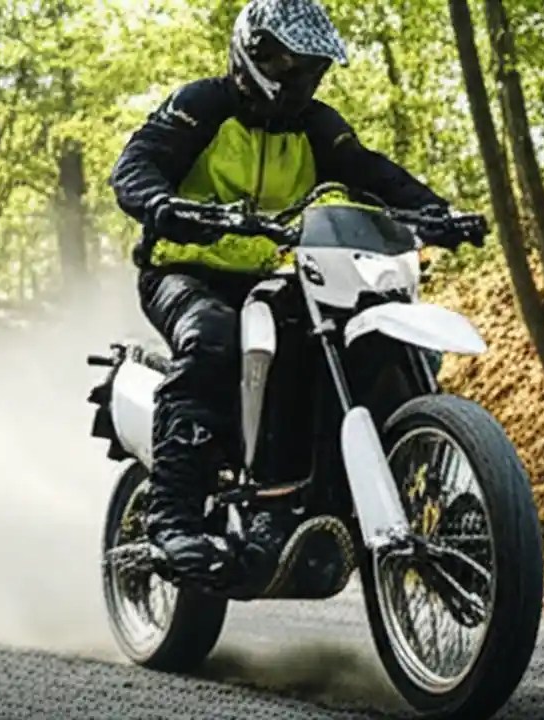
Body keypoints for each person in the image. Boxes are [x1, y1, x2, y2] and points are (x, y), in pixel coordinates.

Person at [107, 0, 482, 589]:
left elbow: (370, 172)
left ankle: (402, 497)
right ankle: (172, 517)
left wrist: (438, 213)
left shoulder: (315, 126)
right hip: (185, 272)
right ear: (254, 56)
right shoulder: (201, 107)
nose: (303, 80)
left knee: (341, 333)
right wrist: (163, 205)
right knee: (211, 341)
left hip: (270, 277)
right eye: (291, 66)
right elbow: (137, 164)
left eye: (313, 70)